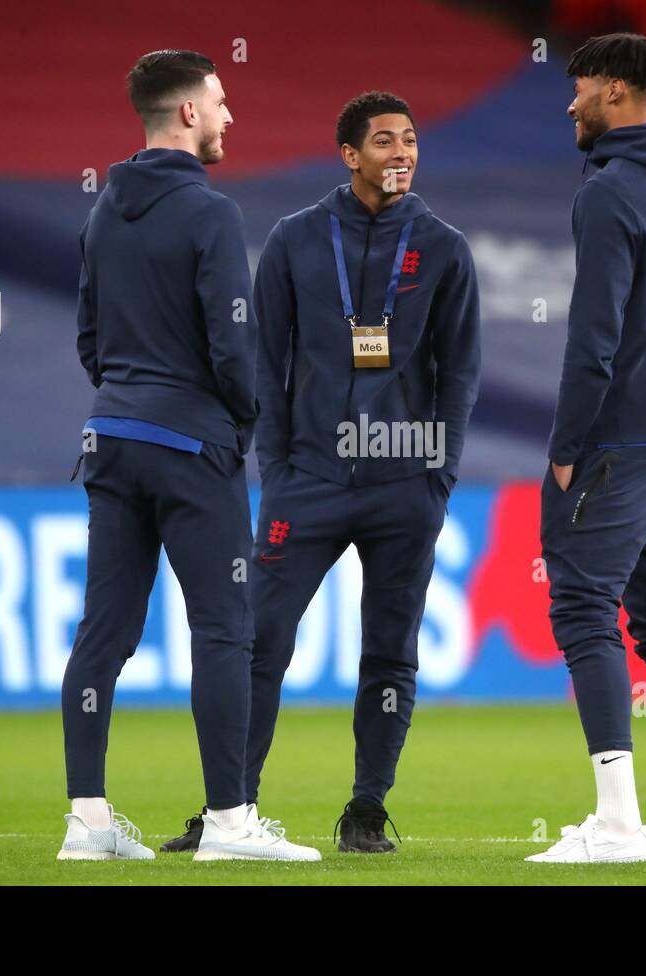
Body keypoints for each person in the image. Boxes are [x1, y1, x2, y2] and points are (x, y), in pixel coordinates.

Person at [163, 90, 481, 855]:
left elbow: (459, 373)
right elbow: (263, 361)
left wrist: (437, 475)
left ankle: (366, 811)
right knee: (258, 639)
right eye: (383, 141)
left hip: (405, 485)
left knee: (391, 651)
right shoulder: (297, 239)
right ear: (349, 155)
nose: (401, 153)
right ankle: (229, 815)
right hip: (307, 481)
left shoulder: (442, 248)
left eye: (409, 140)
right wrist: (278, 462)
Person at [59, 48, 318, 863]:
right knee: (224, 629)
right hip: (189, 445)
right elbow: (233, 343)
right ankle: (230, 824)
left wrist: (131, 399)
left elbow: (90, 339)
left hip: (112, 438)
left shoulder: (104, 209)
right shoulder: (212, 214)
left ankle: (88, 825)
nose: (230, 115)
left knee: (104, 633)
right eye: (220, 101)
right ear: (187, 116)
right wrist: (238, 421)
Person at [527, 33, 646, 864]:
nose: (568, 104)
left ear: (613, 91)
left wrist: (567, 446)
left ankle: (614, 825)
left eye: (579, 90)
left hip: (622, 438)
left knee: (581, 609)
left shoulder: (607, 194)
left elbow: (592, 339)